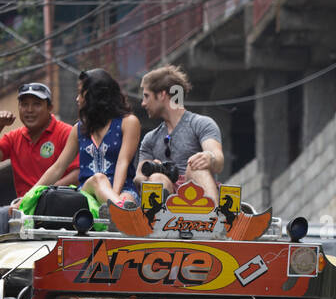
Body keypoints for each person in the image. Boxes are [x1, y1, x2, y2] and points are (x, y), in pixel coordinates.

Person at [34, 69, 140, 208]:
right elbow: (58, 168)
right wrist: (28, 197)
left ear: (94, 96)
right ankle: (118, 209)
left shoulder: (129, 122)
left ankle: (117, 209)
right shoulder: (78, 129)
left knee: (127, 200)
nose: (77, 99)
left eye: (81, 93)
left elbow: (123, 162)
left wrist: (111, 197)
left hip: (123, 191)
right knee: (98, 179)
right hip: (86, 194)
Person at [134, 65, 224, 202]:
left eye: (146, 96)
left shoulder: (201, 123)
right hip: (166, 199)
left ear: (162, 95)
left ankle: (213, 217)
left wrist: (209, 158)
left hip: (197, 193)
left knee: (195, 167)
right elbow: (138, 178)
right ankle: (154, 220)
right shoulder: (150, 138)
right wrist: (151, 171)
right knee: (156, 179)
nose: (143, 103)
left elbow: (218, 160)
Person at [0, 82, 79, 196]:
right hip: (23, 208)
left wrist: (44, 193)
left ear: (50, 108)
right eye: (24, 104)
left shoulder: (67, 133)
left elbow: (78, 173)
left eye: (37, 104)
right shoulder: (14, 137)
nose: (29, 110)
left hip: (59, 204)